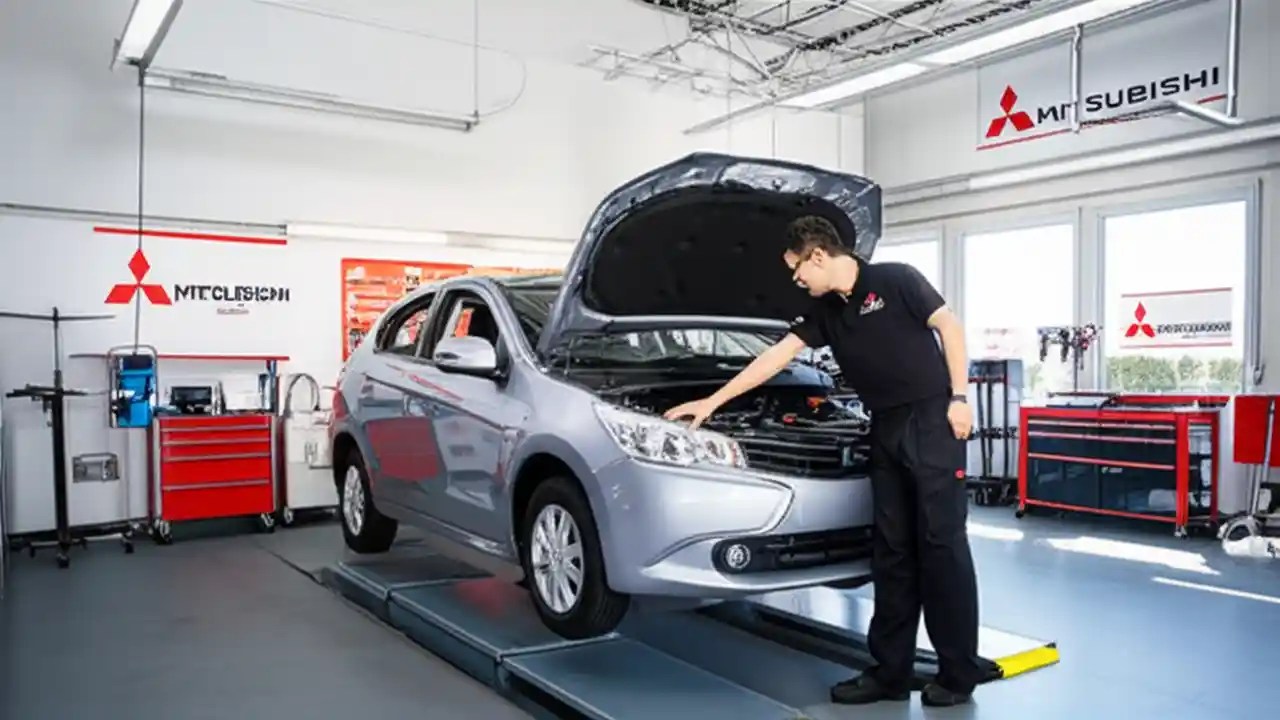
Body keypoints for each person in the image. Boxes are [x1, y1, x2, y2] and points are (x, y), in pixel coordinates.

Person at [663, 215, 982, 708]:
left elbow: (949, 326)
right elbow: (775, 357)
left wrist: (959, 397)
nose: (796, 282)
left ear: (817, 256)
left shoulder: (895, 279)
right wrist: (712, 402)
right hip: (884, 426)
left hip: (932, 421)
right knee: (892, 552)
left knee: (941, 546)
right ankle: (889, 672)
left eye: (797, 271)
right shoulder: (827, 311)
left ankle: (957, 675)